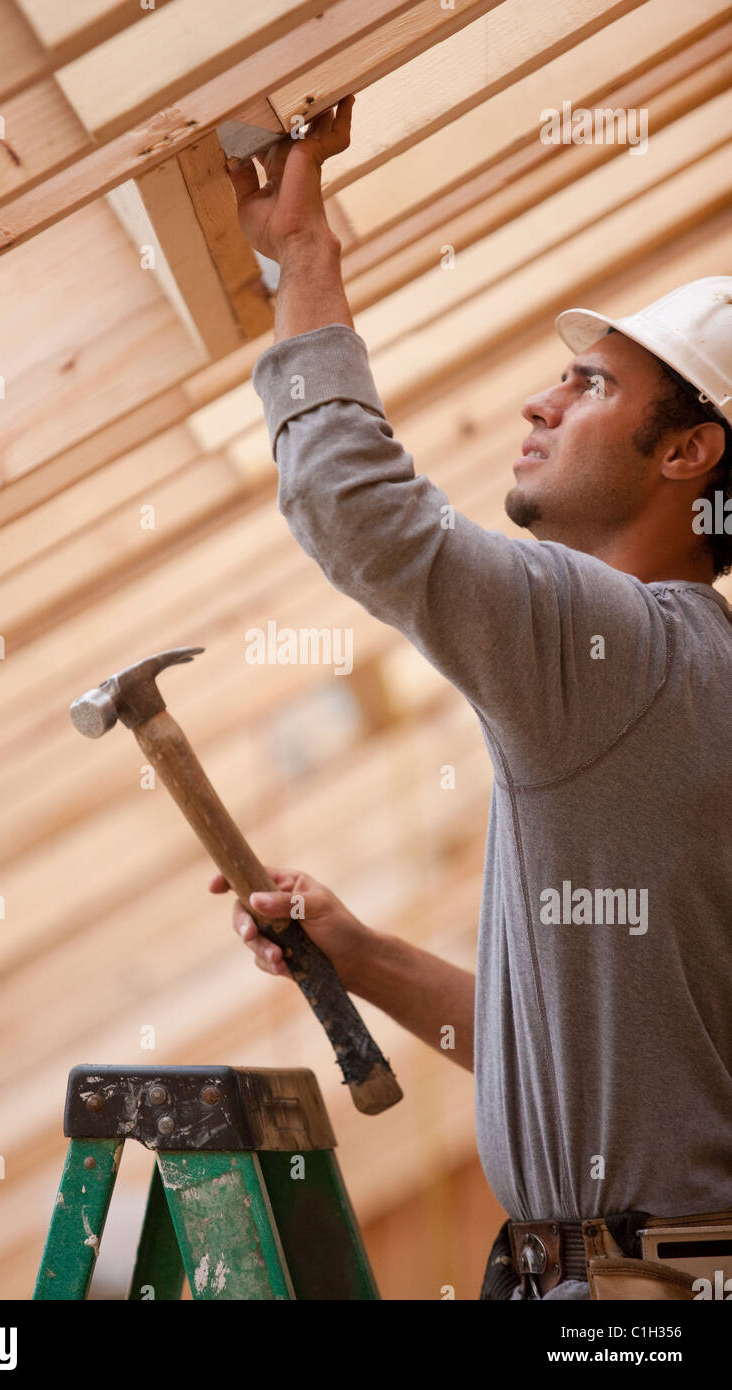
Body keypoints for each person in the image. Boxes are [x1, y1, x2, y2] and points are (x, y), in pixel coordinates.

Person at [209, 96, 732, 1299]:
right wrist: (363, 954)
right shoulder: (683, 675)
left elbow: (355, 506)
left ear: (686, 453)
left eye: (586, 385)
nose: (536, 405)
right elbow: (564, 1059)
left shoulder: (620, 653)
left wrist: (304, 258)